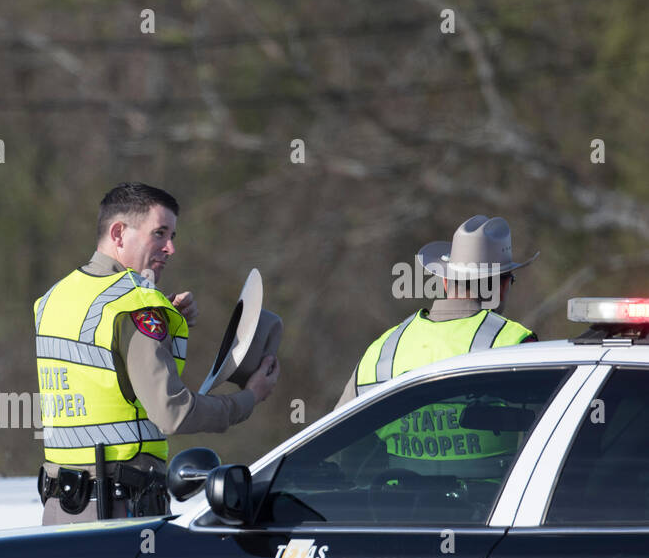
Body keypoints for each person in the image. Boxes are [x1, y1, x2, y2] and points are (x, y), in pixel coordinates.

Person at [34, 181, 279, 524]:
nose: (170, 248)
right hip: (118, 512)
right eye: (159, 234)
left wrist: (164, 320)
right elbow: (172, 413)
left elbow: (101, 368)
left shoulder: (53, 298)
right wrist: (248, 399)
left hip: (57, 511)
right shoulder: (136, 305)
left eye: (172, 236)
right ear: (118, 233)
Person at [336, 215, 538, 409]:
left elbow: (337, 428)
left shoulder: (379, 353)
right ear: (503, 286)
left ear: (445, 280)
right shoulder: (515, 345)